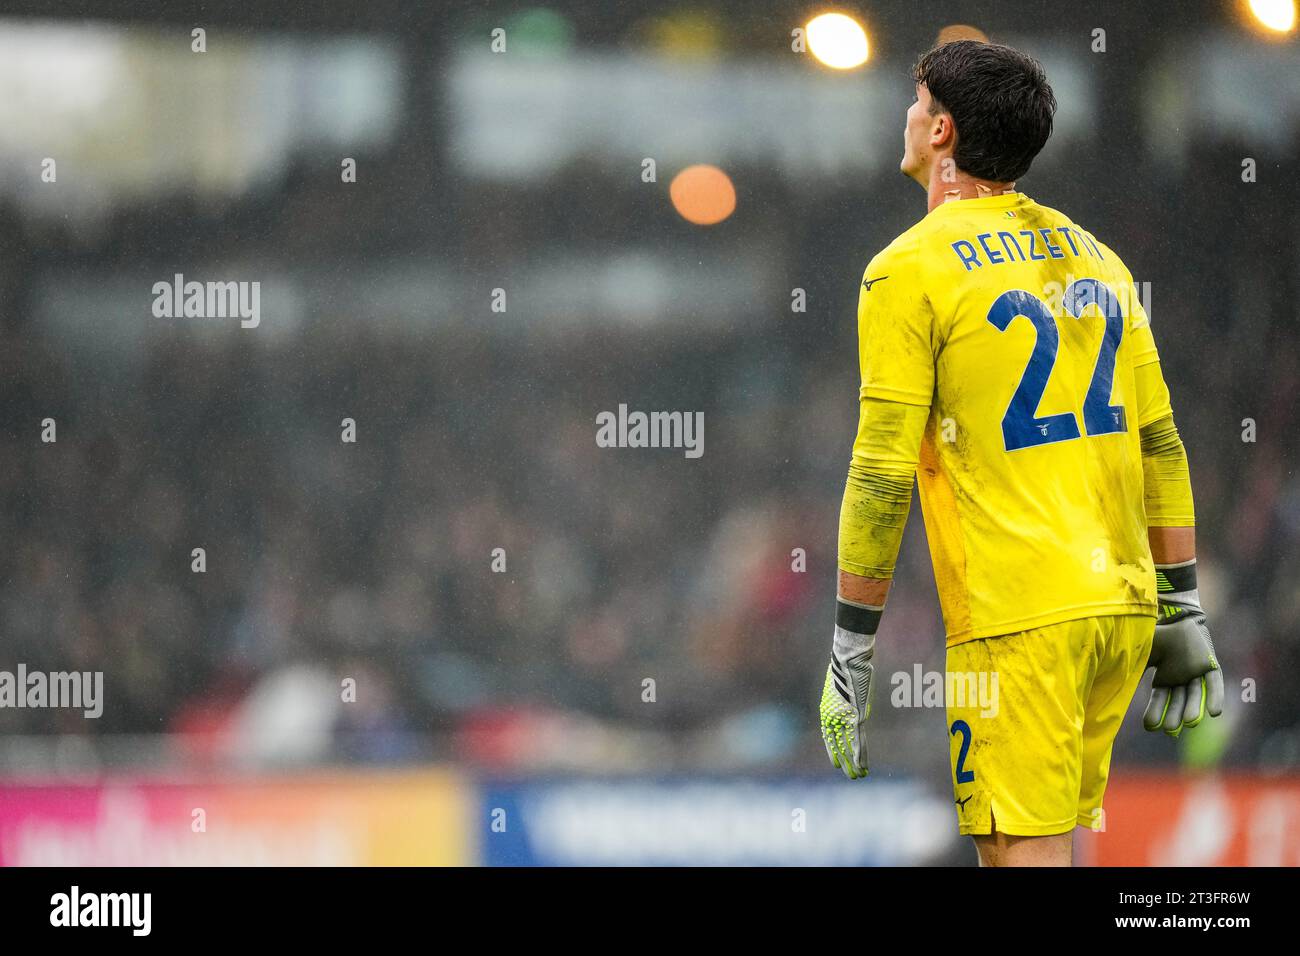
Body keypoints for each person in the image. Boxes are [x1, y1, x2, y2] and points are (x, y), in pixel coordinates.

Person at [817, 40, 1224, 867]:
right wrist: (1183, 604)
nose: (906, 114)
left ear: (942, 133)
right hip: (1121, 609)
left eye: (916, 101)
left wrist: (851, 649)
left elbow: (880, 472)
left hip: (1016, 622)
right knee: (1054, 850)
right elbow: (1162, 443)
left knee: (1020, 858)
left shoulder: (906, 271)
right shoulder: (1100, 257)